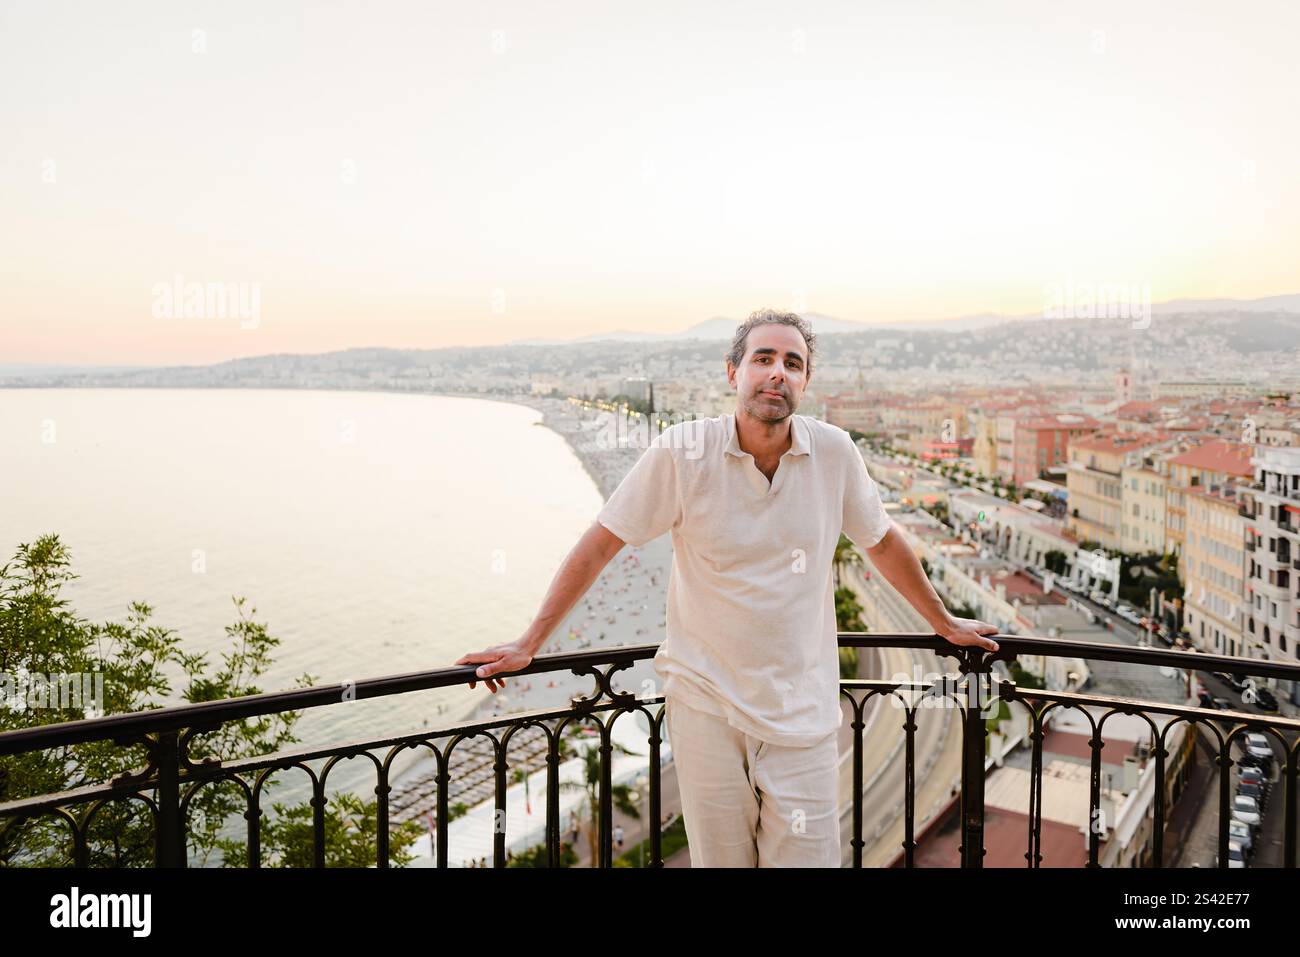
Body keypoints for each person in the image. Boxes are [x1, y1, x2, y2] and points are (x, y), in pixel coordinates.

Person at [455, 308, 1000, 867]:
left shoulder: (834, 453)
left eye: (793, 363)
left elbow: (882, 541)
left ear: (806, 381)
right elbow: (600, 544)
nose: (777, 373)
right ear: (732, 372)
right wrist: (530, 642)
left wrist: (943, 623)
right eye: (763, 359)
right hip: (705, 707)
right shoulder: (682, 452)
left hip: (804, 714)